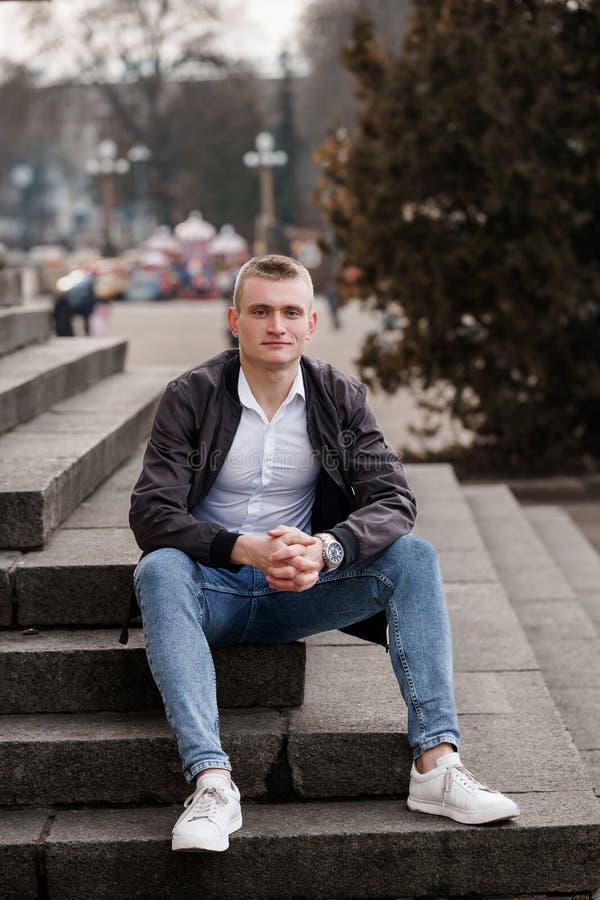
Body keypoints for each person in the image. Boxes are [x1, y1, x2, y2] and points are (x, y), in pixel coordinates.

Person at [128, 254, 519, 854]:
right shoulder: (191, 397)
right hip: (214, 590)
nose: (276, 325)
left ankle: (437, 767)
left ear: (311, 324)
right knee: (159, 568)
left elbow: (393, 498)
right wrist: (242, 548)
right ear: (235, 320)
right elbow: (151, 513)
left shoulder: (337, 396)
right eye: (260, 311)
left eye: (290, 312)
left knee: (413, 557)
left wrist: (330, 550)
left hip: (302, 589)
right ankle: (211, 783)